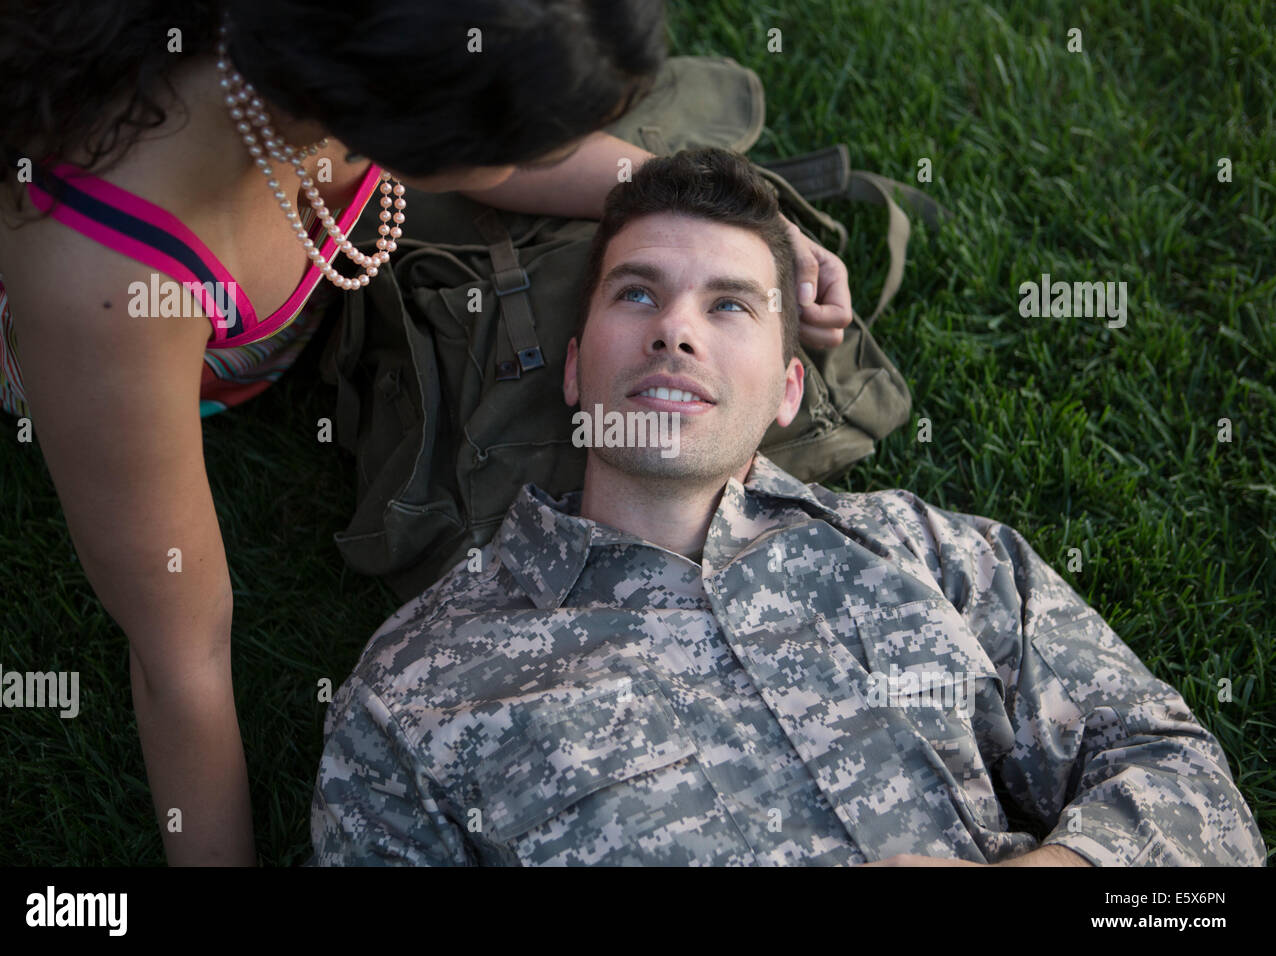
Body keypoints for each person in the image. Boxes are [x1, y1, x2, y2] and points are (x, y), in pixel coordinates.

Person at [0, 0, 857, 866]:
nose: (558, 155)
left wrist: (743, 229)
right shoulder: (109, 281)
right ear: (413, 120)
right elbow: (184, 651)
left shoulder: (353, 54)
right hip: (130, 349)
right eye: (531, 138)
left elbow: (495, 170)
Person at [310, 147, 1266, 866]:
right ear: (573, 370)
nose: (675, 331)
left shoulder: (934, 556)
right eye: (636, 295)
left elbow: (1196, 800)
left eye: (730, 306)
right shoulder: (419, 688)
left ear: (787, 391)